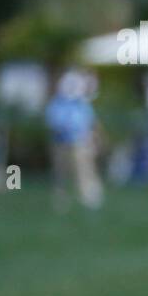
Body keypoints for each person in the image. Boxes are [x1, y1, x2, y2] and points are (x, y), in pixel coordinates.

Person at [45, 70, 103, 211]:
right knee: (61, 173)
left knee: (84, 171)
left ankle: (89, 199)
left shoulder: (81, 103)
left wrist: (94, 137)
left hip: (79, 142)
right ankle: (61, 200)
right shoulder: (57, 103)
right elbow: (54, 122)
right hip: (61, 142)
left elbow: (89, 121)